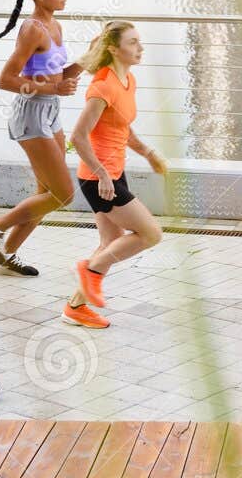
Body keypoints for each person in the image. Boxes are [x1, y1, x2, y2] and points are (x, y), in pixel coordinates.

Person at [0, 0, 81, 276]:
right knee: (63, 194)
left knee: (45, 195)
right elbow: (6, 80)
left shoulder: (55, 25)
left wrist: (94, 55)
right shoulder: (32, 29)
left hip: (51, 111)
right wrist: (53, 89)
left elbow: (62, 76)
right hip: (30, 113)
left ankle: (5, 256)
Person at [64, 20, 168, 329]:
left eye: (139, 41)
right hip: (99, 179)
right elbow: (78, 137)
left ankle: (75, 308)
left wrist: (148, 154)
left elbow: (122, 127)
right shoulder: (103, 86)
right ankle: (90, 271)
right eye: (133, 42)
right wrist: (104, 176)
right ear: (113, 48)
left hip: (112, 173)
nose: (141, 47)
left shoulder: (127, 80)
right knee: (151, 234)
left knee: (110, 242)